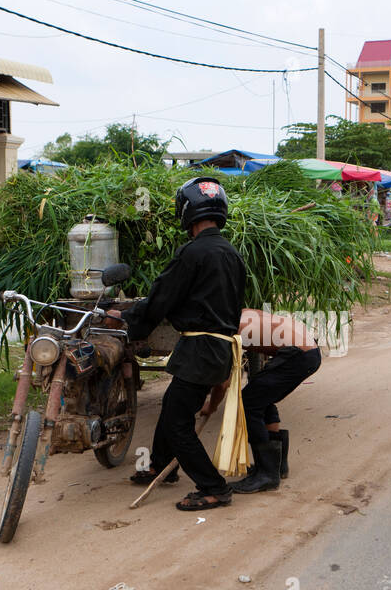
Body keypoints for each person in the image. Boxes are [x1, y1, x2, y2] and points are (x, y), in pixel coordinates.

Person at [106, 176, 246, 511]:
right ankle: (159, 466)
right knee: (173, 406)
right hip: (219, 347)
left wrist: (128, 319)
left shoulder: (193, 252)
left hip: (201, 349)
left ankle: (214, 487)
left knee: (178, 422)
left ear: (186, 212)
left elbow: (161, 299)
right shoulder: (231, 253)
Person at [202, 308, 321, 493]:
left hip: (298, 356)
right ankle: (277, 466)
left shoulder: (224, 329)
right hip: (306, 351)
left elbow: (222, 384)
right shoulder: (241, 312)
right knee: (261, 397)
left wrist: (211, 406)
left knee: (248, 404)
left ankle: (266, 474)